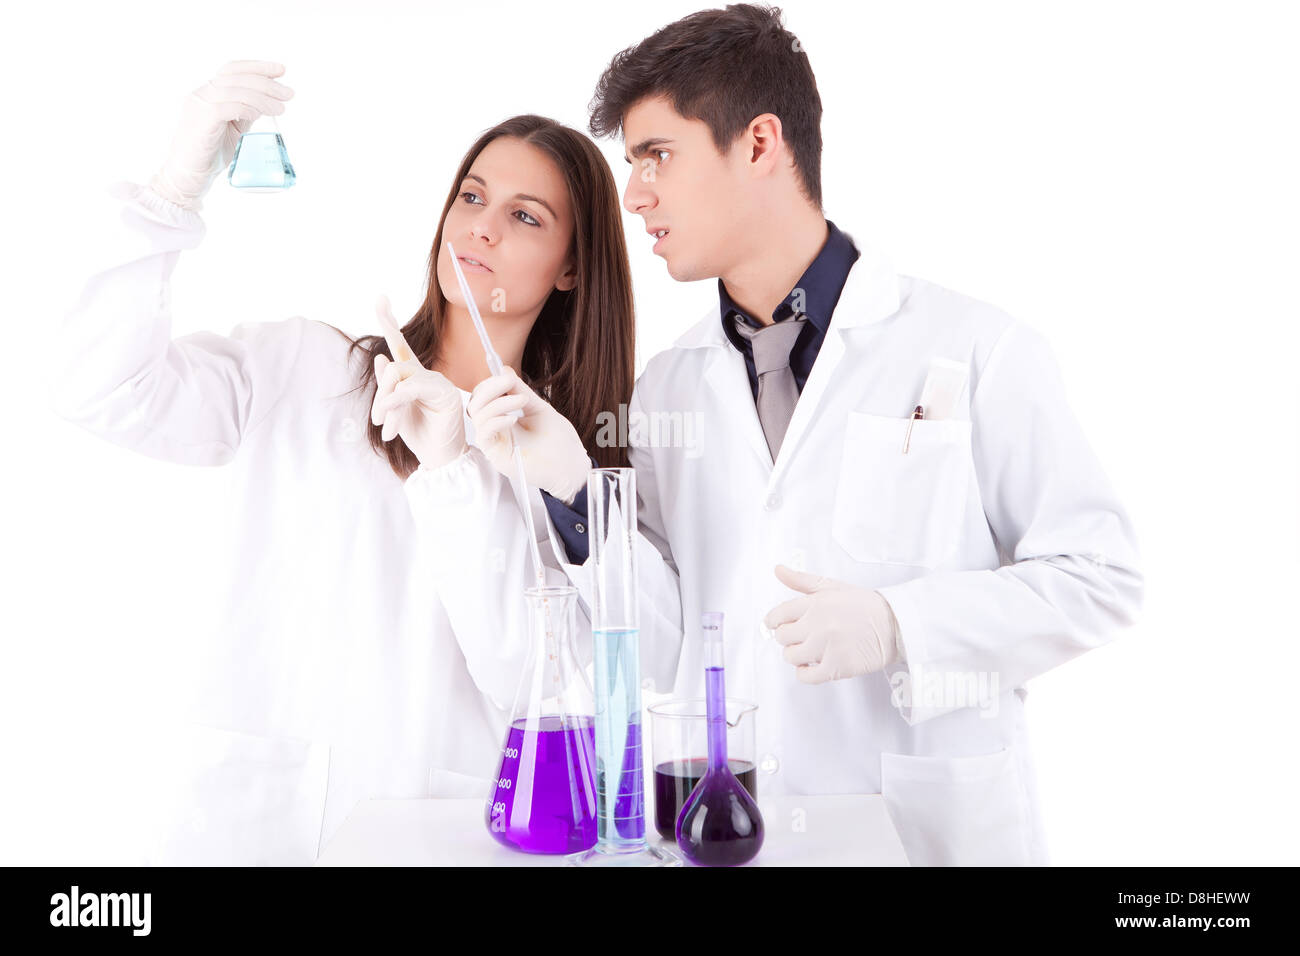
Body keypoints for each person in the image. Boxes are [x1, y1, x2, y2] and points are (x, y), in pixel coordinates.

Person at [467, 4, 1146, 865]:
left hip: (928, 831)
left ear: (758, 144)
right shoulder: (670, 388)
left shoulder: (975, 347)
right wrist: (569, 487)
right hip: (734, 834)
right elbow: (669, 645)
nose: (634, 194)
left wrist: (901, 623)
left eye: (656, 157)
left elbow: (1101, 577)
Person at [50, 59, 652, 864]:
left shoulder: (559, 466)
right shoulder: (305, 369)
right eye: (471, 198)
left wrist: (458, 475)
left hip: (434, 829)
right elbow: (102, 389)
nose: (480, 227)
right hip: (260, 822)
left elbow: (541, 687)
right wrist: (168, 195)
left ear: (573, 267)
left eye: (526, 217)